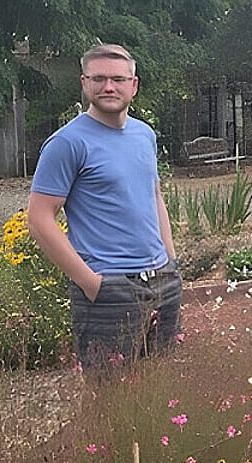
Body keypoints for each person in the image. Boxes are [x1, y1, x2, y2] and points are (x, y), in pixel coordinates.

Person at [27, 43, 181, 374]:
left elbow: (154, 195)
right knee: (111, 399)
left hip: (161, 280)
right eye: (98, 78)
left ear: (133, 85)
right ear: (84, 83)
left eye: (117, 79)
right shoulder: (66, 143)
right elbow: (39, 218)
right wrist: (90, 282)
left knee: (162, 388)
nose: (108, 87)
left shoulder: (144, 135)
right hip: (108, 289)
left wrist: (169, 261)